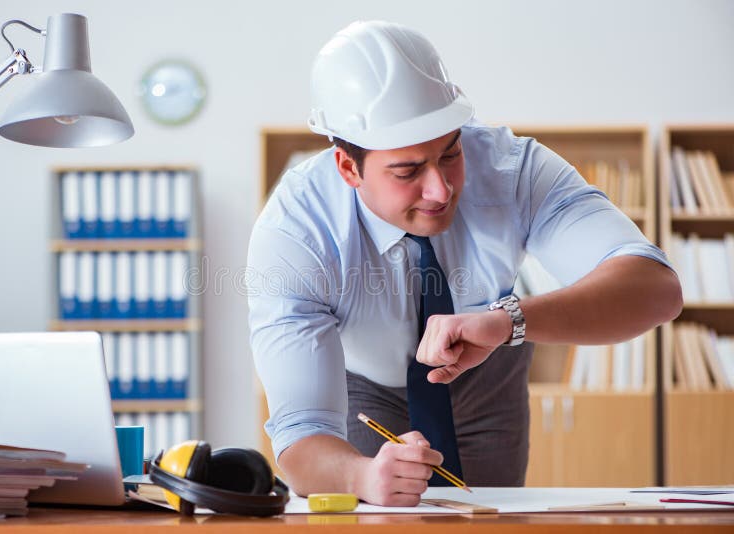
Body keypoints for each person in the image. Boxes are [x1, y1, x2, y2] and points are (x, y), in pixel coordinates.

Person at [246, 20, 682, 507]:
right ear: (349, 167)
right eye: (408, 170)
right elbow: (301, 431)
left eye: (449, 153)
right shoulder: (294, 233)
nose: (441, 189)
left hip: (489, 369)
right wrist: (358, 476)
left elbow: (656, 288)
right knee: (380, 510)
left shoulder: (512, 169)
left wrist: (509, 320)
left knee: (492, 515)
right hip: (362, 386)